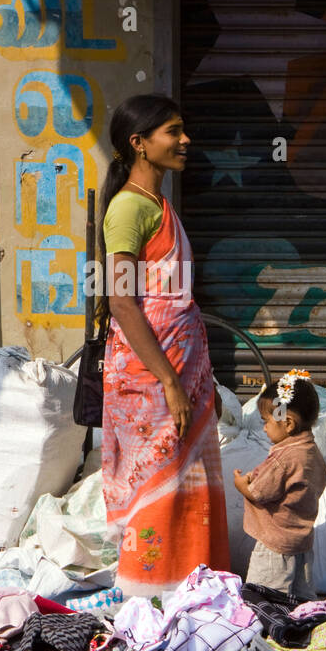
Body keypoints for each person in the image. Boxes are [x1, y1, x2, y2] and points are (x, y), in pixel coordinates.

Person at [99, 94, 230, 597]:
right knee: (160, 487)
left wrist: (198, 381)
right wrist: (171, 383)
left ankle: (194, 591)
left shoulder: (157, 205)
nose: (185, 140)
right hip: (152, 378)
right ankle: (149, 598)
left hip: (179, 371)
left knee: (189, 485)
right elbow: (122, 301)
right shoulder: (128, 208)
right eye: (172, 131)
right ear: (139, 143)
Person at [232, 371, 326, 598]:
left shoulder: (282, 459)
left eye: (266, 421)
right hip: (301, 543)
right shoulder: (311, 450)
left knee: (263, 599)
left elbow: (258, 492)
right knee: (300, 600)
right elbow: (320, 478)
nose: (264, 428)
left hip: (275, 546)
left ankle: (270, 622)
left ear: (288, 423)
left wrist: (241, 483)